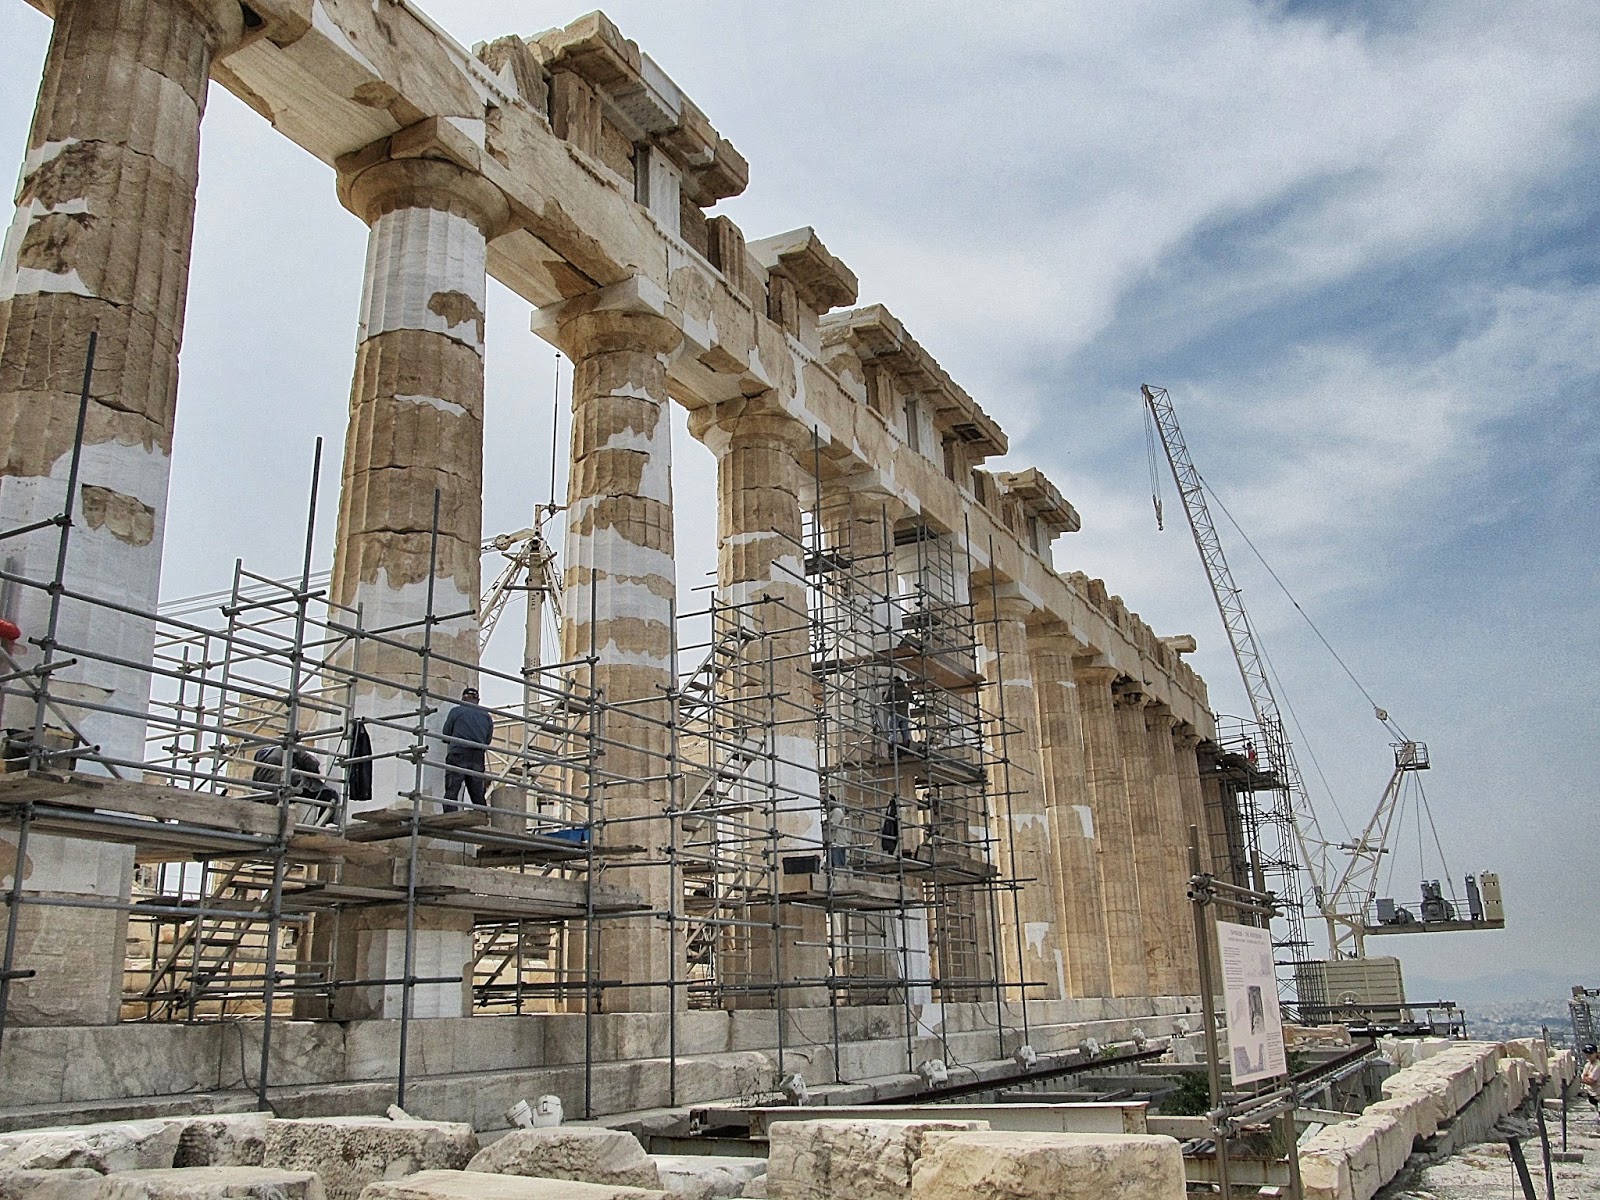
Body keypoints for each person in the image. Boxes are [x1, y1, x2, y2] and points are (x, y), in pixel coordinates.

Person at [441, 686, 493, 811]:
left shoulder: (456, 711)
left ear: (463, 698)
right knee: (477, 792)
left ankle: (450, 817)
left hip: (459, 752)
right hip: (477, 756)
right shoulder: (486, 716)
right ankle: (481, 816)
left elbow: (446, 734)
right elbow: (487, 740)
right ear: (477, 700)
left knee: (452, 789)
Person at [251, 740, 337, 811]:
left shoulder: (260, 762)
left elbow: (255, 789)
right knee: (331, 796)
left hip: (271, 796)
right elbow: (311, 763)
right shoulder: (288, 746)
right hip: (293, 786)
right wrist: (314, 773)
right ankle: (326, 824)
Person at [1581, 1044, 1600, 1122]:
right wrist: (1585, 1078)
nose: (1588, 1055)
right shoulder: (1588, 1065)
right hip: (1592, 1092)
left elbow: (1590, 1081)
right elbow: (1583, 1077)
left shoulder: (1598, 1065)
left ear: (1595, 1053)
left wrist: (1585, 1078)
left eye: (1590, 1053)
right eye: (1587, 1053)